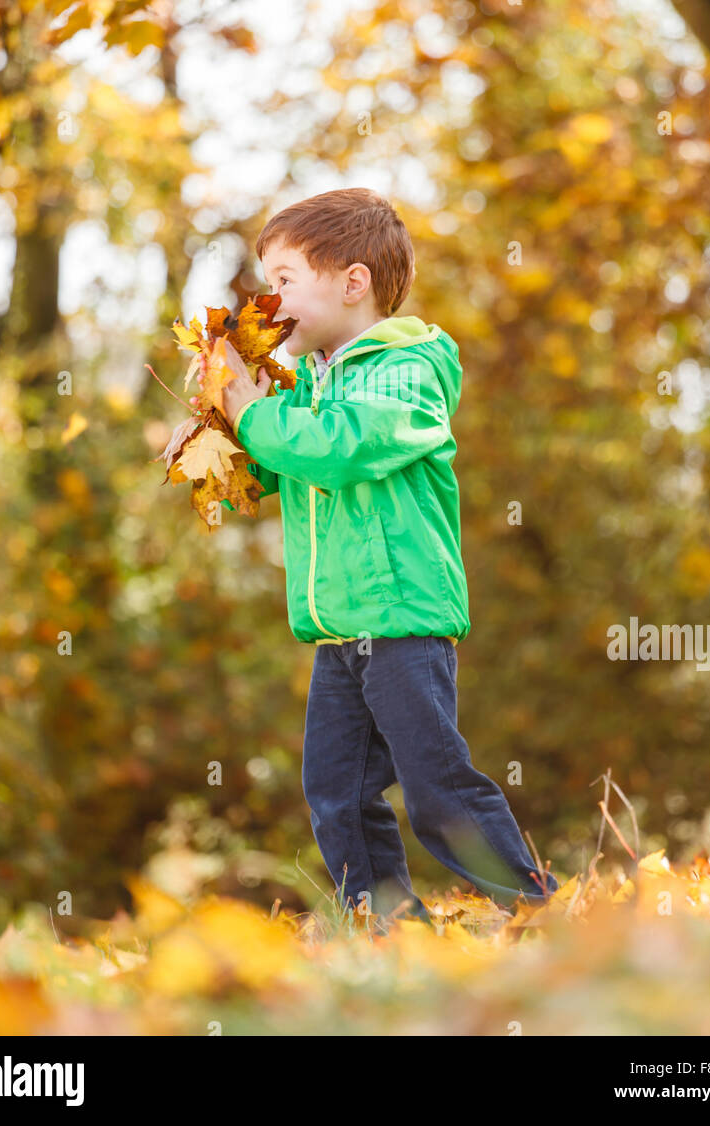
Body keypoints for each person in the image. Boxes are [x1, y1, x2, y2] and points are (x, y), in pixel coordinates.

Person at [194, 186, 559, 927]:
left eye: (285, 280)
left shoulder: (407, 370)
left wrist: (255, 415)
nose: (270, 300)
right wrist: (219, 448)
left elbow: (343, 449)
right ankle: (383, 923)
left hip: (401, 620)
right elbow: (276, 468)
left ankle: (533, 908)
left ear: (352, 283)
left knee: (435, 785)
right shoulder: (311, 384)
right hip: (337, 632)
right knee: (335, 789)